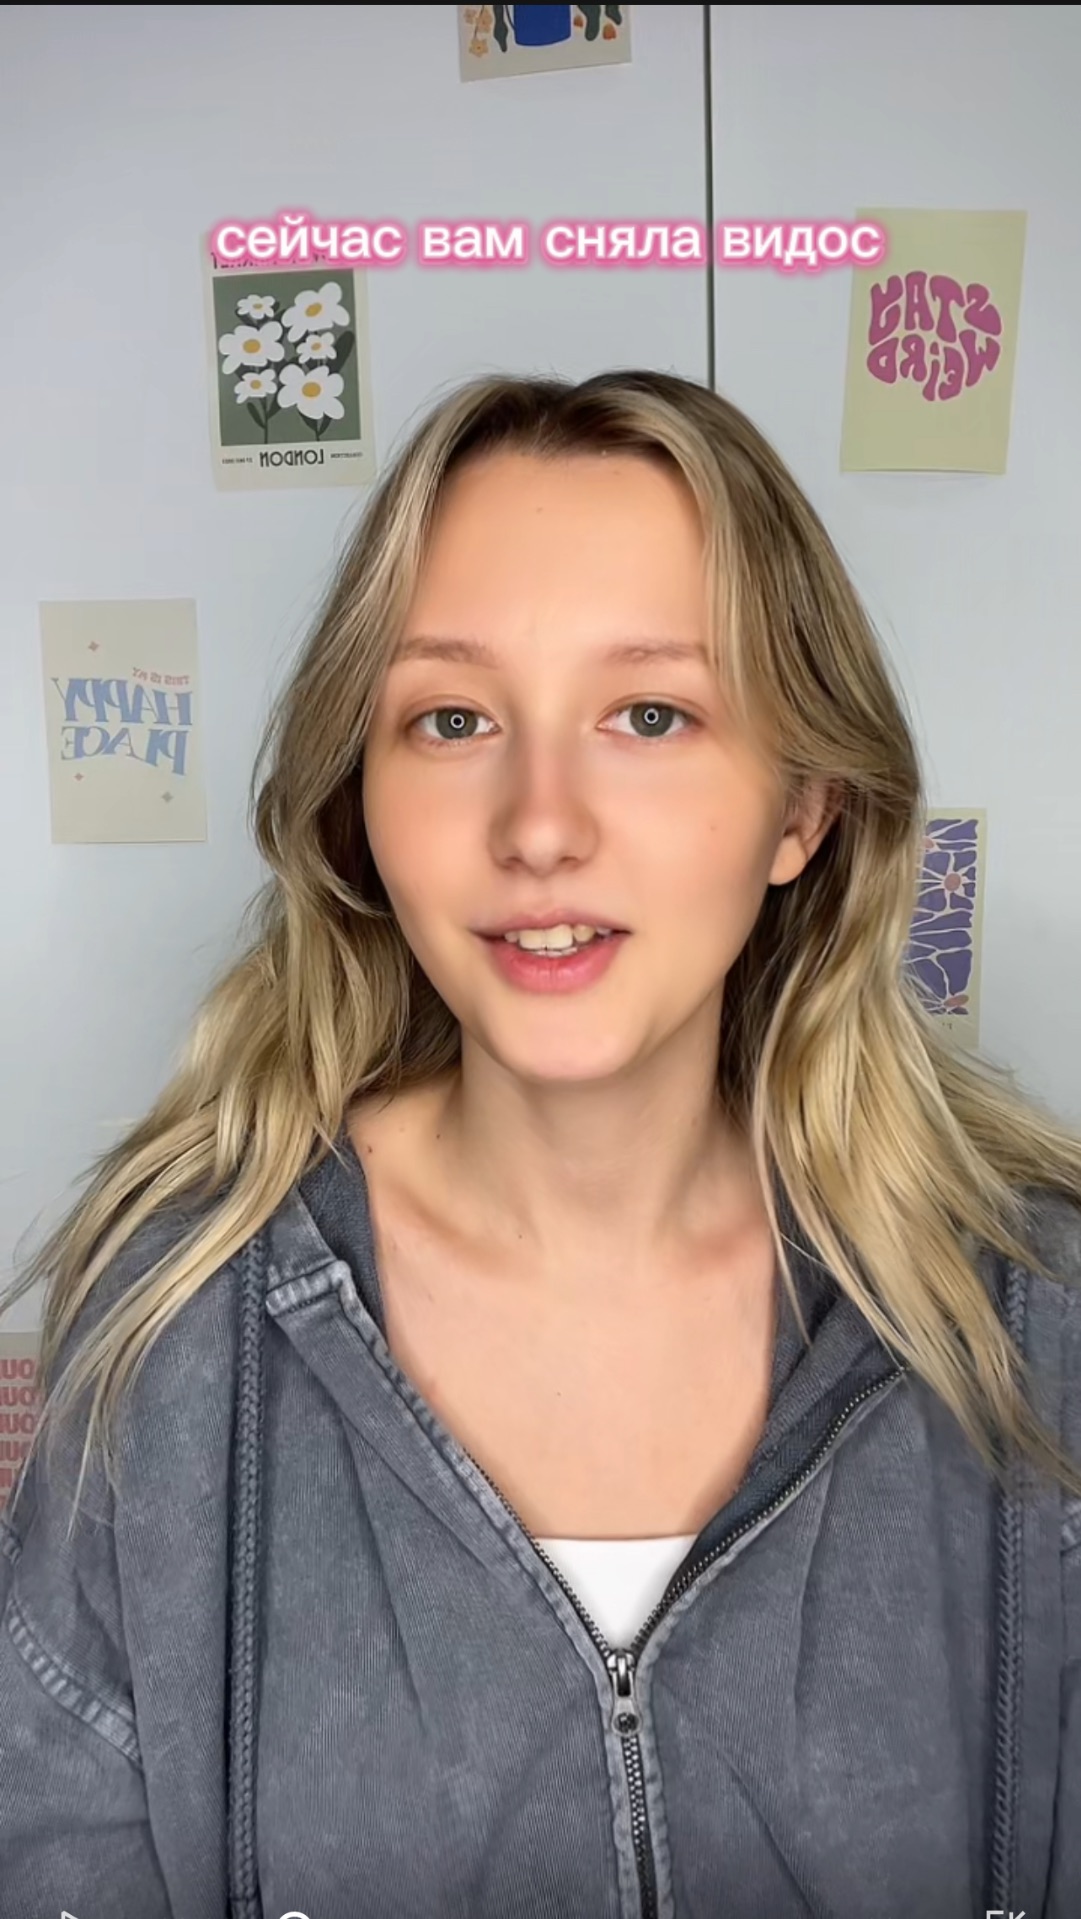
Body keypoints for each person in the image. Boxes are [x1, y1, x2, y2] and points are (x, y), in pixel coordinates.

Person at [1, 369, 1079, 1919]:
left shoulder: (1037, 1319)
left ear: (802, 809)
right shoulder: (175, 1326)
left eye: (650, 715)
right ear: (359, 807)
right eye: (452, 719)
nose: (540, 826)